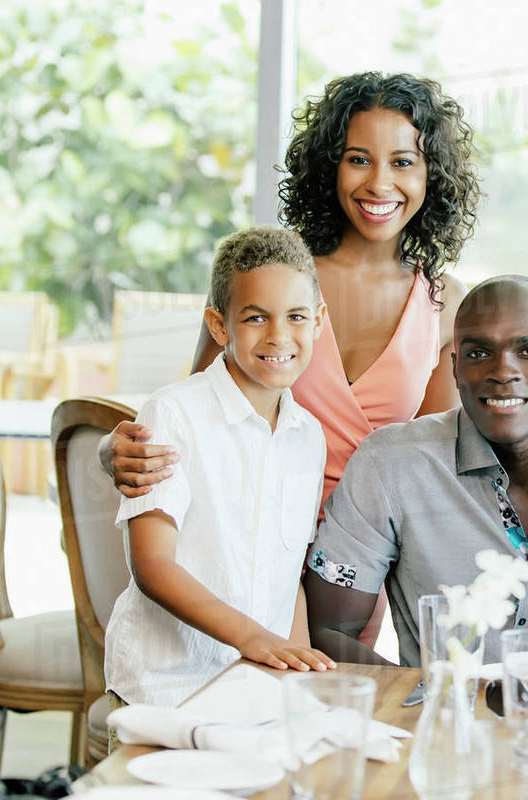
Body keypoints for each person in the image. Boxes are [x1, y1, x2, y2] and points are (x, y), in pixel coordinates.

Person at [98, 72, 528, 647]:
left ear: (431, 176)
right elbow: (195, 409)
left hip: (355, 559)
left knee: (323, 708)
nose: (380, 183)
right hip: (235, 539)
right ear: (329, 169)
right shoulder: (272, 285)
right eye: (358, 159)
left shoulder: (445, 304)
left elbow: (443, 452)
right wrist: (113, 447)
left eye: (403, 162)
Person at [303, 276, 528, 666]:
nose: (502, 371)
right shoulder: (392, 465)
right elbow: (326, 632)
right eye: (479, 354)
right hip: (441, 719)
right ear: (456, 366)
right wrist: (429, 701)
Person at [105, 227, 337, 707]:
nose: (278, 336)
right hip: (163, 691)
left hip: (254, 692)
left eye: (296, 317)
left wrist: (294, 661)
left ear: (318, 322)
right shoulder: (172, 414)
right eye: (255, 318)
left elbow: (288, 573)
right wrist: (252, 638)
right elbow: (152, 565)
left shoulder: (308, 437)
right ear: (218, 325)